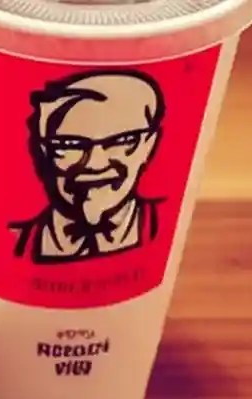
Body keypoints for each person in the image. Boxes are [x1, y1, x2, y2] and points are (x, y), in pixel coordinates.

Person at [11, 70, 165, 265]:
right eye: (69, 145)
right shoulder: (15, 242)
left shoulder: (165, 225)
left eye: (122, 141)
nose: (95, 164)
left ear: (149, 145)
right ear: (43, 150)